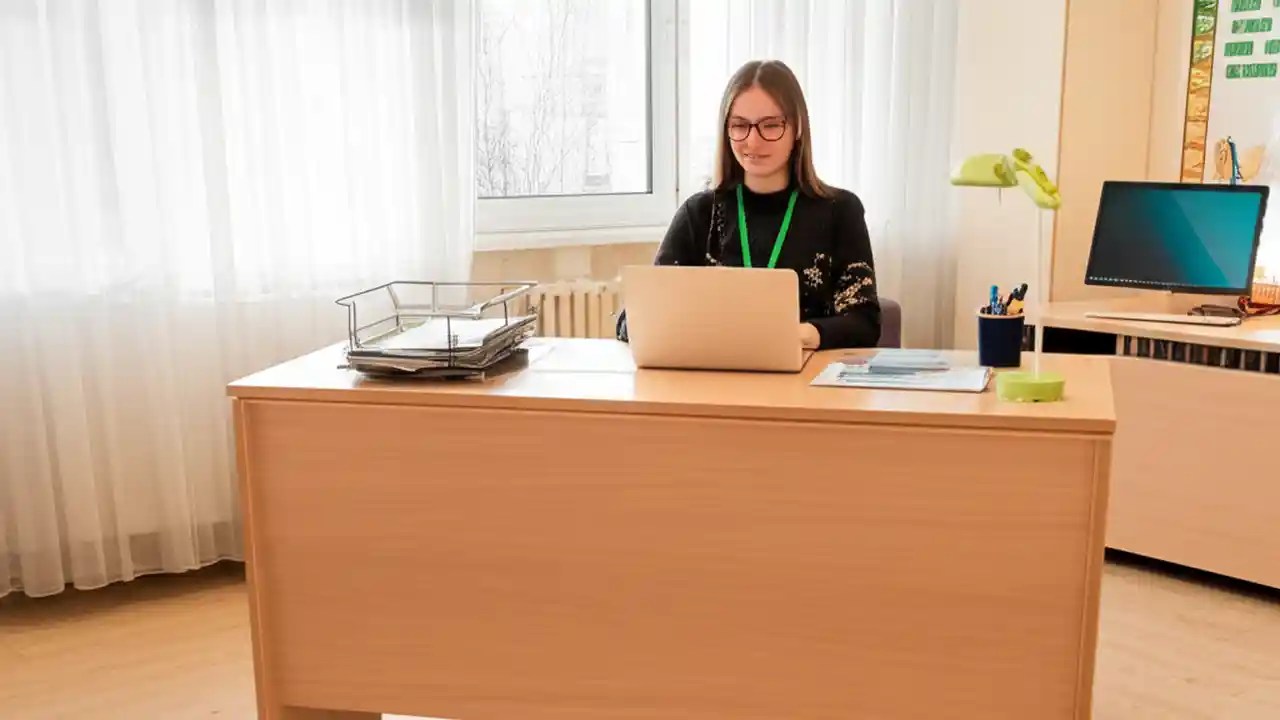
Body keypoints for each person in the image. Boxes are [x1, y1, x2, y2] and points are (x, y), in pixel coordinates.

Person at [617, 59, 880, 350]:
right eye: (740, 126)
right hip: (716, 381)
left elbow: (864, 323)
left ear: (798, 128)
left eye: (770, 126)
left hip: (807, 383)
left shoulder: (840, 211)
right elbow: (633, 320)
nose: (752, 142)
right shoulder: (699, 214)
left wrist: (798, 335)